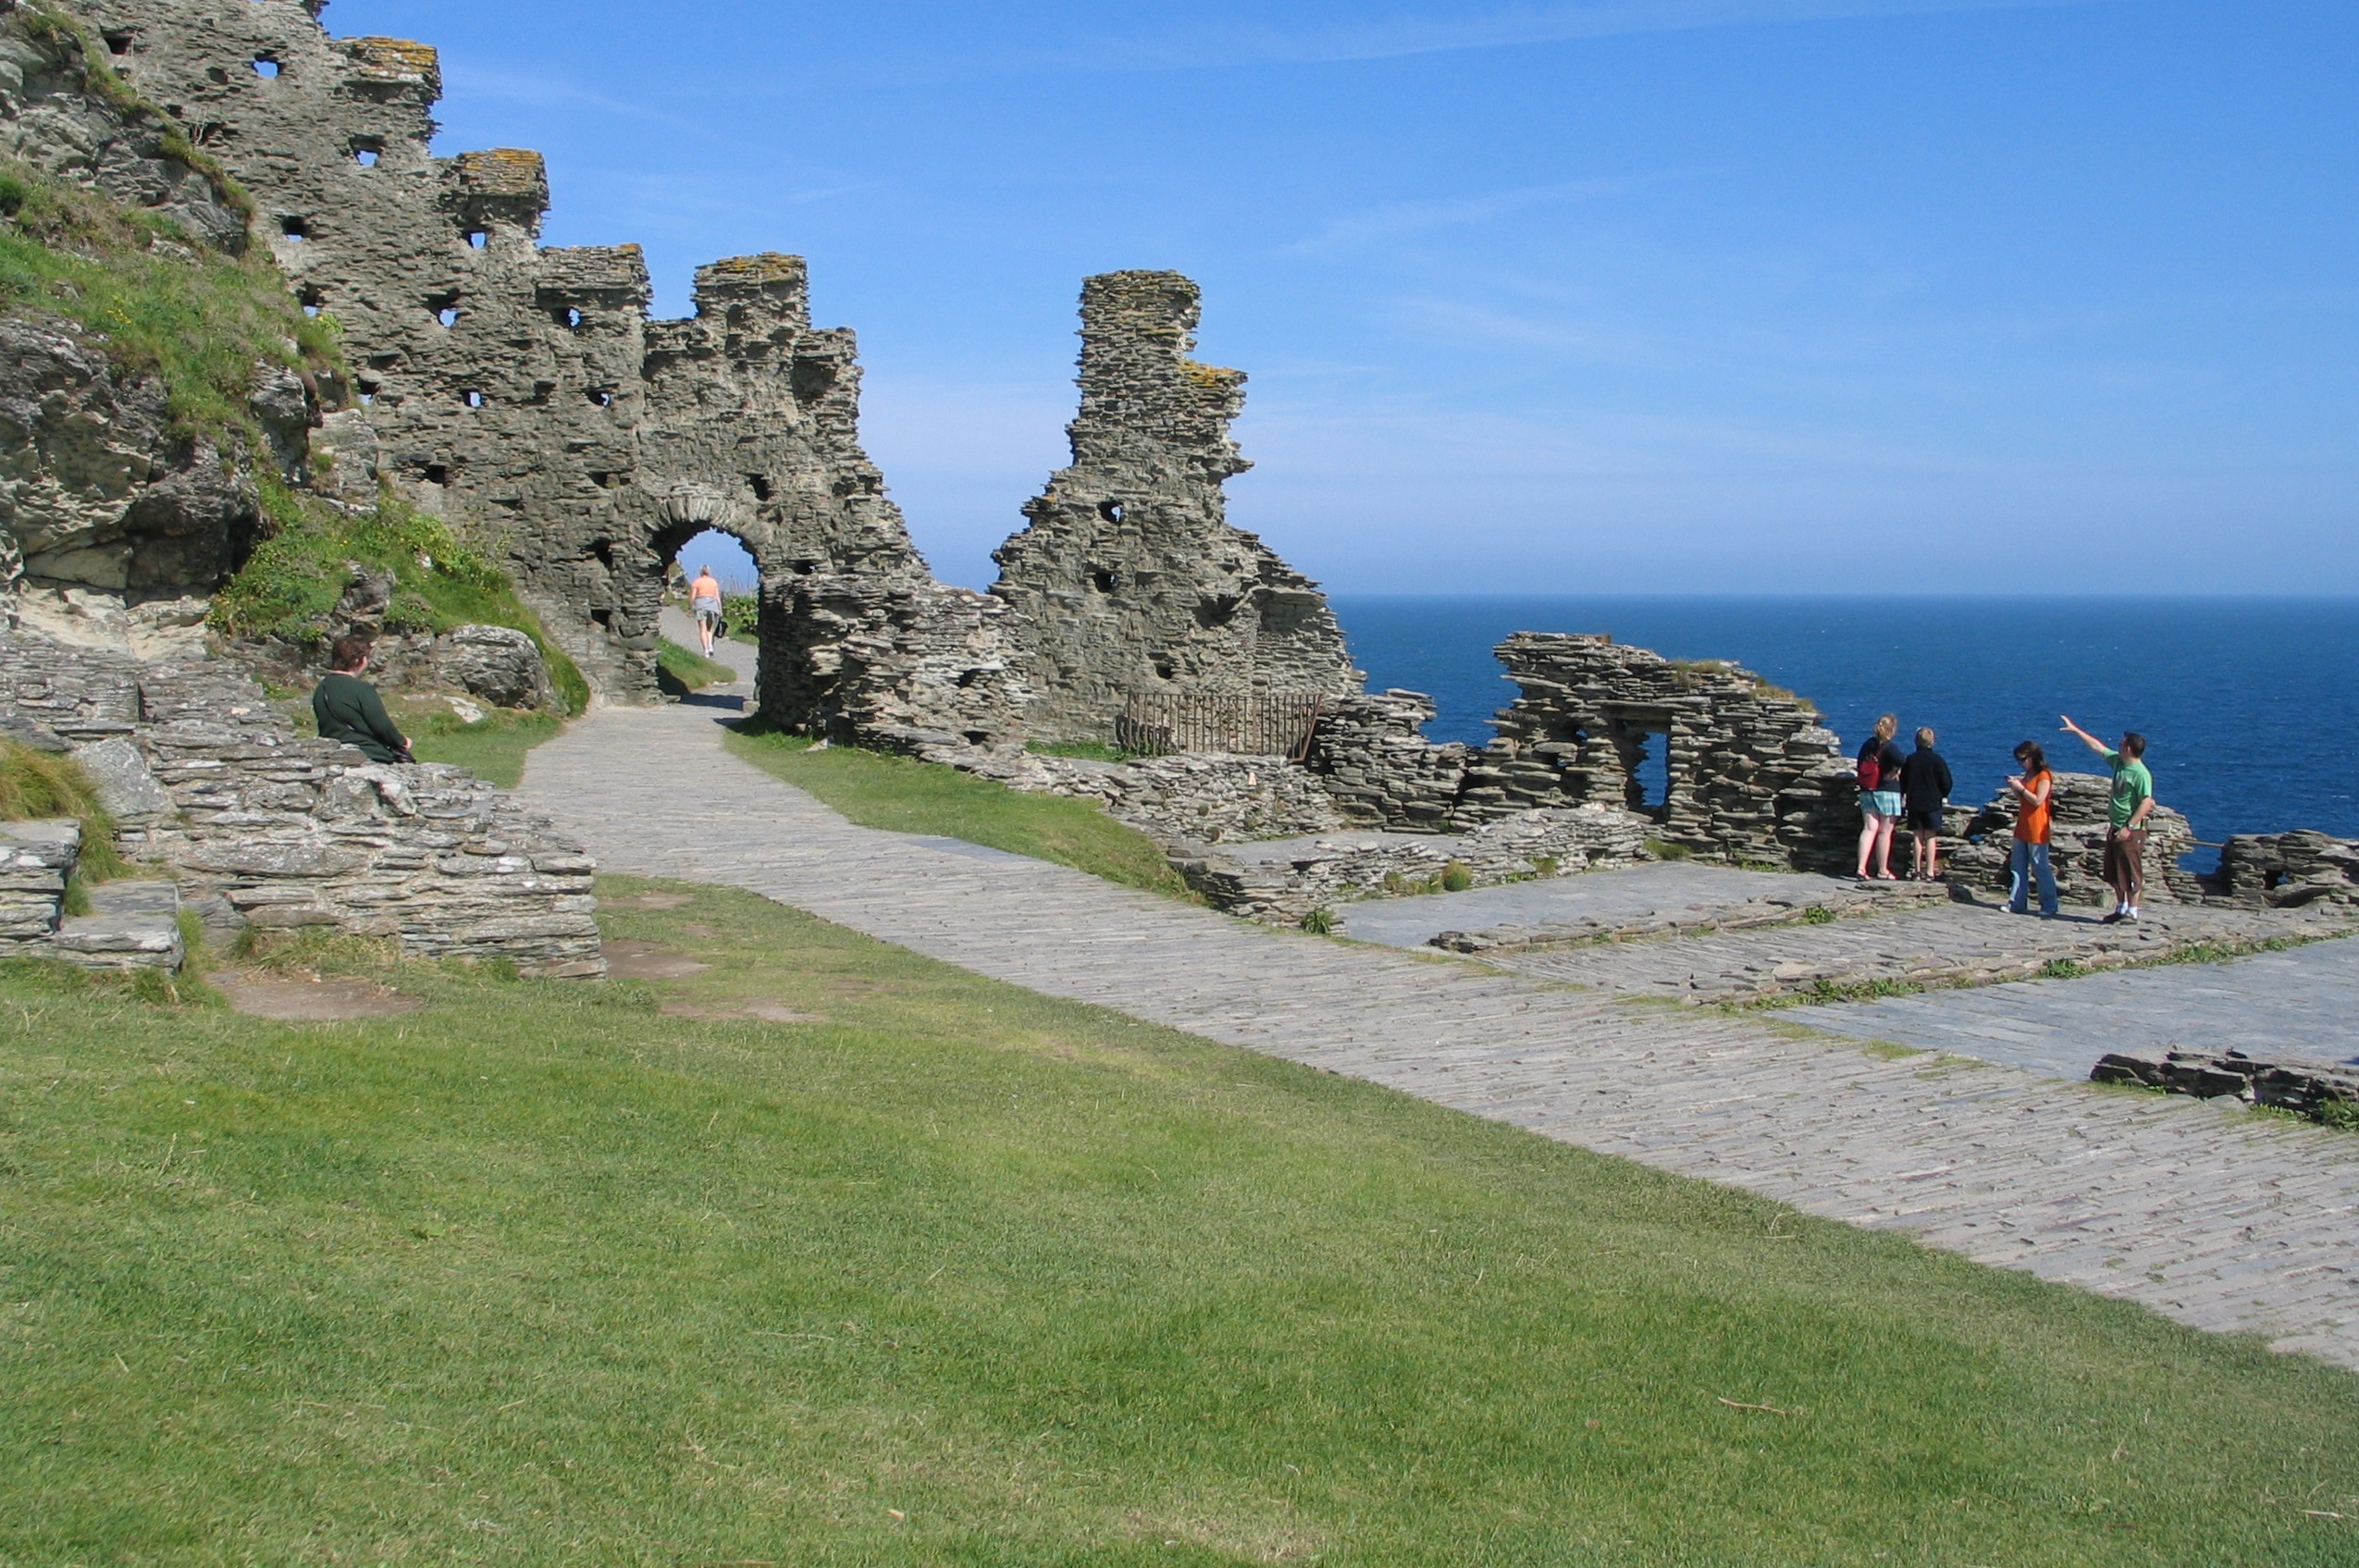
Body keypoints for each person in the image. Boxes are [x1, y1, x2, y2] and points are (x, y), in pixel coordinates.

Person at [2061, 716, 2154, 923]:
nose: (2118, 745)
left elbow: (2146, 803)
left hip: (2130, 830)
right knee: (2113, 871)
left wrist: (2129, 827)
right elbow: (2098, 747)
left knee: (2131, 871)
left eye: (2122, 744)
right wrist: (2076, 730)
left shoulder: (2141, 774)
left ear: (2129, 749)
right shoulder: (2119, 763)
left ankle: (2132, 910)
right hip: (2115, 827)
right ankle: (2121, 908)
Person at [312, 634, 412, 764]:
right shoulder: (361, 688)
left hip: (333, 754)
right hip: (368, 754)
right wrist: (402, 741)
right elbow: (382, 725)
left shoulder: (321, 688)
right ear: (358, 661)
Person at [2002, 740, 2059, 917]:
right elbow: (2025, 801)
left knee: (2040, 866)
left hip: (2037, 826)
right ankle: (2017, 903)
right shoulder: (2028, 775)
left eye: (2023, 759)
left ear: (2032, 757)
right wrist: (2016, 789)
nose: (2021, 763)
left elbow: (2037, 800)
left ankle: (2049, 904)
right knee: (2018, 867)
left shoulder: (2044, 776)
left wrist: (2022, 788)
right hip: (2023, 825)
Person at [1853, 713, 1905, 881]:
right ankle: (1882, 869)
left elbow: (1859, 765)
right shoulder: (1889, 747)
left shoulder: (1868, 745)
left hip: (1867, 790)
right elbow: (1902, 760)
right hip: (1887, 791)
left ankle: (1861, 868)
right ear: (1892, 730)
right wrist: (1893, 772)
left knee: (1869, 828)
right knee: (1885, 831)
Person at [1897, 726, 1953, 881]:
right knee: (1930, 837)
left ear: (1916, 741)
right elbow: (1947, 782)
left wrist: (1904, 796)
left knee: (1917, 836)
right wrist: (1942, 795)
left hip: (1914, 802)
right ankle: (1929, 871)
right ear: (1933, 742)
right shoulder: (1937, 760)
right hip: (1933, 802)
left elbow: (1903, 781)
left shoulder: (1911, 759)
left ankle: (1916, 871)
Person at [689, 565, 723, 657]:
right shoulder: (713, 582)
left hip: (701, 606)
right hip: (712, 607)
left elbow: (693, 596)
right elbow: (717, 597)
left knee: (702, 629)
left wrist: (691, 607)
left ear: (700, 572)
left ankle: (706, 651)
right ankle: (710, 646)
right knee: (709, 628)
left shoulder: (696, 582)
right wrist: (720, 610)